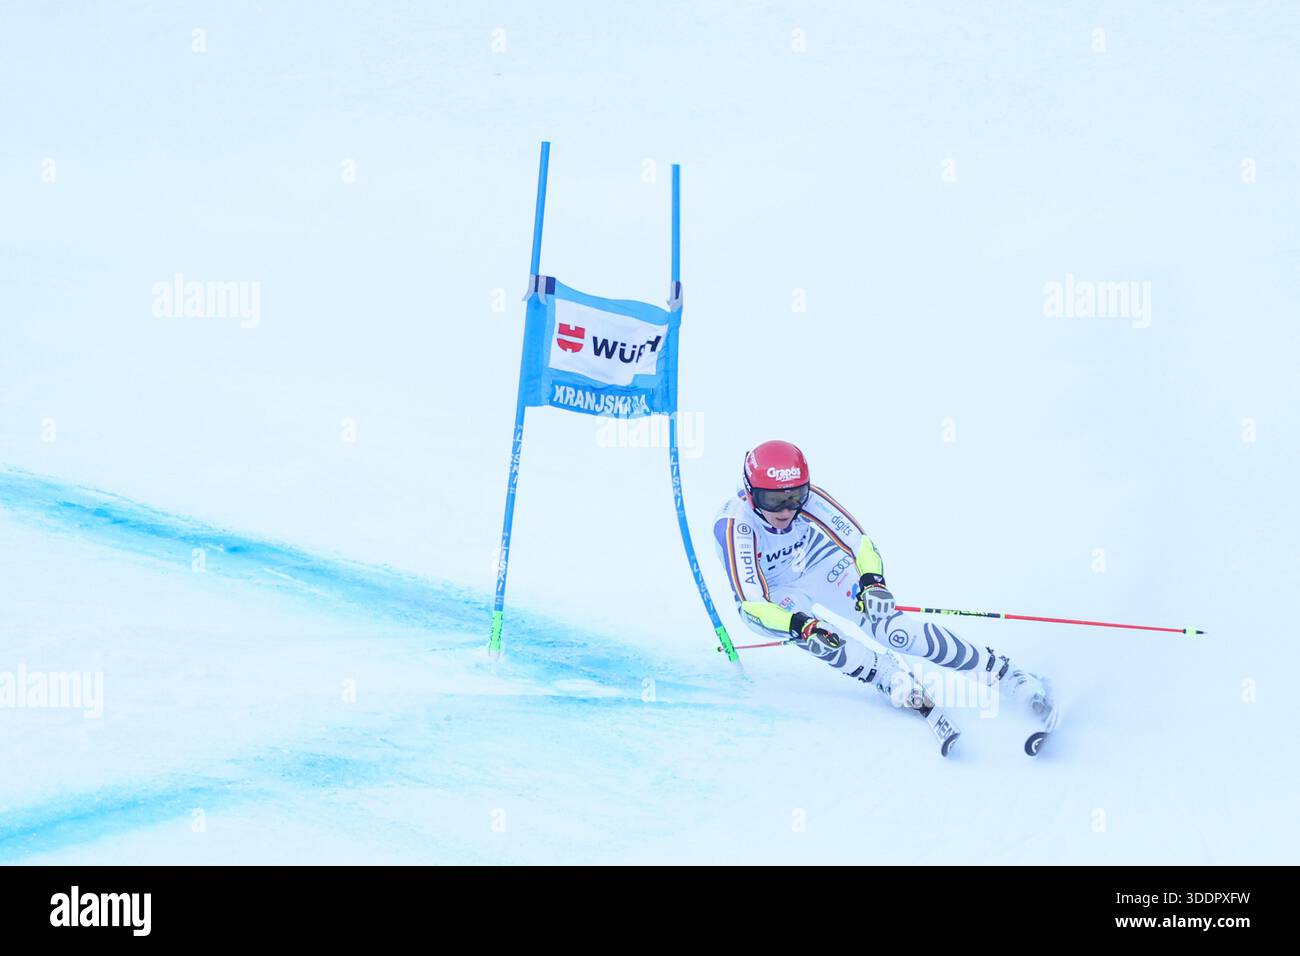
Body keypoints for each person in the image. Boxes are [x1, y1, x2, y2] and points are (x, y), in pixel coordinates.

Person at [712, 439, 1053, 734]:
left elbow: (859, 544)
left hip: (818, 563)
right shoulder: (736, 524)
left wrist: (872, 582)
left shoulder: (811, 500)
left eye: (795, 496)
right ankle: (884, 675)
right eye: (773, 501)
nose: (787, 509)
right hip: (773, 594)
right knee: (823, 640)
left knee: (894, 631)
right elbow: (752, 603)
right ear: (751, 493)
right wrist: (800, 624)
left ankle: (1005, 674)